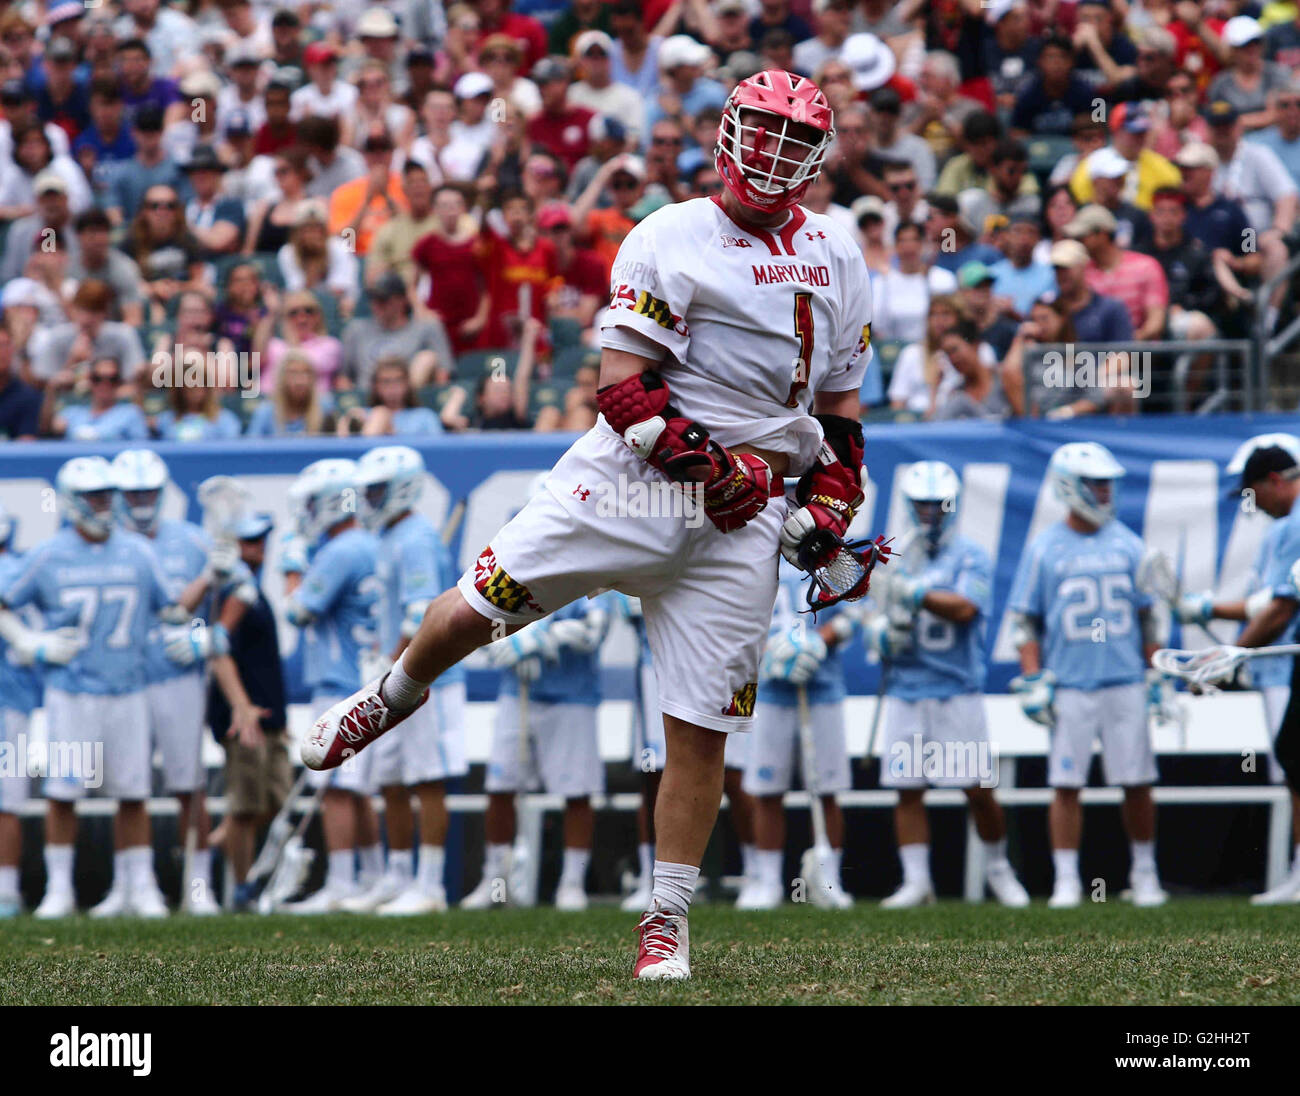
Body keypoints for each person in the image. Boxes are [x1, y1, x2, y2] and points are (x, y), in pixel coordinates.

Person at [303, 69, 876, 981]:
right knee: (471, 610)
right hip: (632, 487)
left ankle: (667, 919)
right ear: (728, 134)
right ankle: (392, 695)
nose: (771, 156)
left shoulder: (842, 253)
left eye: (792, 141)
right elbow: (621, 387)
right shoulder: (669, 234)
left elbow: (840, 411)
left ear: (817, 158)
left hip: (744, 518)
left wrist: (831, 501)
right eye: (759, 132)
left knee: (700, 727)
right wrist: (713, 467)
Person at [0, 457, 182, 918]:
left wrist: (200, 623)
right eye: (94, 497)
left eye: (107, 495)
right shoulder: (48, 553)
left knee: (133, 790)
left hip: (129, 687)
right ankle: (58, 888)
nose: (104, 505)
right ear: (72, 501)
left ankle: (140, 886)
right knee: (64, 791)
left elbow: (173, 611)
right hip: (72, 690)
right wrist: (28, 640)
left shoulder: (139, 551)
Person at [1007, 442, 1168, 909]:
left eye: (1106, 483)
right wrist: (1034, 677)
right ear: (1069, 487)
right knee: (1066, 783)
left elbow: (1148, 617)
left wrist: (1155, 673)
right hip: (1071, 681)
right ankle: (1066, 880)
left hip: (1123, 679)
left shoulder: (1129, 543)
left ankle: (1144, 873)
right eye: (1095, 483)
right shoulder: (1044, 548)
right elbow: (1025, 621)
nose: (1103, 491)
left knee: (1137, 780)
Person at [867, 461, 1029, 908]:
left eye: (937, 506)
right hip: (905, 685)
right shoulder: (895, 555)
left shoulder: (971, 554)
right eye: (921, 505)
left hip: (957, 687)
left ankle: (998, 868)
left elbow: (966, 609)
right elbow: (871, 618)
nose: (929, 514)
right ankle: (917, 881)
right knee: (908, 788)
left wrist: (915, 595)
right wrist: (881, 633)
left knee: (977, 788)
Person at [1176, 437, 1300, 905]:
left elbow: (1280, 610)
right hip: (1286, 661)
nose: (1253, 506)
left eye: (1253, 493)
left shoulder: (1291, 527)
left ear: (1273, 482)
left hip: (1289, 663)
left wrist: (1230, 656)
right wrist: (1212, 611)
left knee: (1296, 763)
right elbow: (1270, 602)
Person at [108, 450, 222, 915]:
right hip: (125, 679)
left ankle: (199, 889)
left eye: (147, 492)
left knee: (187, 783)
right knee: (128, 786)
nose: (140, 500)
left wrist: (209, 636)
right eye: (132, 492)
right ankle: (131, 886)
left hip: (179, 676)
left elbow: (233, 596)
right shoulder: (106, 543)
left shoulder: (193, 540)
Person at [466, 585, 613, 911]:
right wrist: (502, 643)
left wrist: (540, 637)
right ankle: (495, 883)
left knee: (576, 791)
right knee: (500, 786)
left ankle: (572, 885)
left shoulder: (593, 567)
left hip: (572, 697)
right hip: (516, 691)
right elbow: (476, 620)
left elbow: (594, 631)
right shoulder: (514, 562)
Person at [282, 460, 384, 914]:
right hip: (363, 677)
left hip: (341, 680)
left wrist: (290, 568)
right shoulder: (368, 543)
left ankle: (343, 882)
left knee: (337, 789)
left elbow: (299, 610)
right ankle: (374, 876)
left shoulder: (340, 550)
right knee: (357, 788)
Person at [735, 556, 854, 910]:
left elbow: (858, 611)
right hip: (770, 689)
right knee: (767, 790)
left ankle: (829, 877)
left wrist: (820, 641)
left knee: (827, 789)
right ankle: (768, 880)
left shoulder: (830, 553)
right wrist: (769, 653)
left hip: (822, 686)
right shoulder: (756, 553)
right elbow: (737, 618)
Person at [205, 512, 291, 913]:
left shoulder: (251, 588)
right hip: (247, 714)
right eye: (250, 540)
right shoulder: (235, 591)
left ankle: (219, 843)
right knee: (244, 806)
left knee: (275, 801)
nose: (259, 548)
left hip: (269, 711)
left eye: (262, 540)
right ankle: (240, 891)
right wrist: (240, 706)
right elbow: (218, 648)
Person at [0, 505, 46, 916]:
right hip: (13, 698)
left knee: (7, 800)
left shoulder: (16, 572)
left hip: (9, 697)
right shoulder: (22, 567)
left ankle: (7, 891)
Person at [42, 355, 149, 442]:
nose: (104, 384)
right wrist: (51, 389)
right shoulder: (72, 413)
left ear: (119, 383)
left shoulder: (130, 414)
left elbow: (140, 452)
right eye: (98, 379)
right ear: (90, 381)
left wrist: (138, 386)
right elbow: (46, 428)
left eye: (112, 379)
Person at [246, 351, 332, 437]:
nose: (300, 381)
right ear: (281, 378)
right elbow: (252, 446)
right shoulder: (266, 412)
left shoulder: (324, 408)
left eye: (306, 373)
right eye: (293, 373)